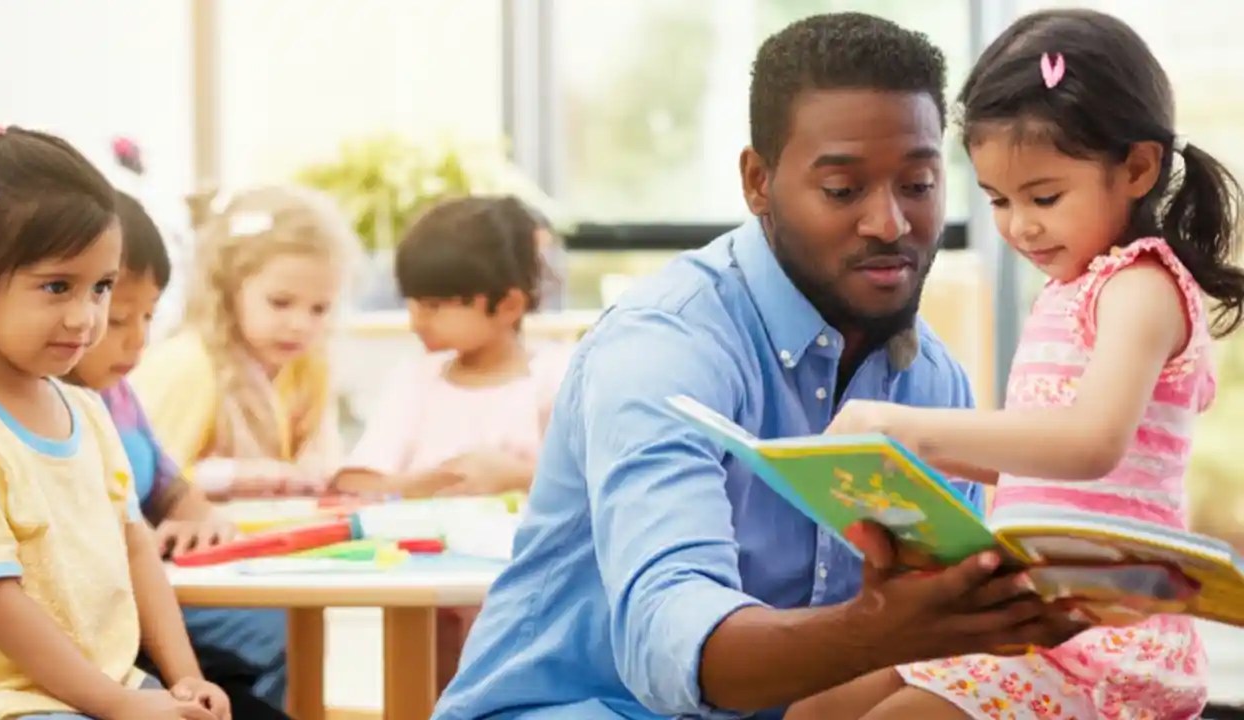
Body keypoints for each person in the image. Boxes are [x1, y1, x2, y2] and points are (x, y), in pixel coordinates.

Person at [431, 13, 1084, 720]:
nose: (889, 223)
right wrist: (886, 630)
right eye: (842, 191)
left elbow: (935, 638)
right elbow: (672, 643)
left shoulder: (931, 381)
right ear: (757, 181)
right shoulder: (663, 349)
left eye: (919, 185)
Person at [786, 9, 1244, 719]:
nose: (1020, 226)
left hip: (1105, 638)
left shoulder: (1141, 287)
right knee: (812, 709)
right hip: (1037, 617)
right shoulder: (1069, 291)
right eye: (999, 200)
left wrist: (916, 431)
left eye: (1045, 197)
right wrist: (902, 475)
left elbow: (1090, 445)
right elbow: (1041, 458)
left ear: (1138, 168)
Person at [0, 123, 229, 720]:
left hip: (110, 688)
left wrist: (185, 680)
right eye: (57, 286)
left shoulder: (86, 410)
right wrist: (117, 705)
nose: (85, 317)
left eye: (101, 287)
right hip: (6, 705)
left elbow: (137, 550)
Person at [68, 190, 293, 718]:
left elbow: (172, 487)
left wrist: (203, 520)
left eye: (148, 316)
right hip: (111, 631)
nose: (137, 341)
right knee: (260, 636)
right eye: (119, 319)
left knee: (269, 630)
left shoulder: (117, 397)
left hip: (154, 608)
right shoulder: (59, 409)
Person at [333, 195, 571, 499]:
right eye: (412, 304)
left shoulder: (554, 380)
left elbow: (585, 484)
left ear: (509, 305)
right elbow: (355, 482)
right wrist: (434, 484)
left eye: (433, 306)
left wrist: (516, 477)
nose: (416, 321)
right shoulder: (417, 379)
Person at [130, 185, 355, 500]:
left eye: (320, 308)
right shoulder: (187, 364)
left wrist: (318, 467)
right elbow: (137, 480)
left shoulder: (308, 366)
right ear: (228, 290)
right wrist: (234, 476)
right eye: (280, 302)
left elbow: (323, 457)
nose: (301, 324)